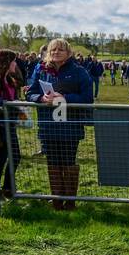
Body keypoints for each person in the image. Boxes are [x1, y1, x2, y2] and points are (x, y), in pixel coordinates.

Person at [26, 39, 92, 210]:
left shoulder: (79, 72)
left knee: (68, 161)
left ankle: (70, 201)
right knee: (53, 161)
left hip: (70, 126)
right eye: (53, 49)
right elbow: (30, 93)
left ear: (68, 52)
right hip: (48, 125)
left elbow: (87, 98)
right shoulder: (40, 69)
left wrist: (66, 99)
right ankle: (57, 199)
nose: (56, 52)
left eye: (60, 50)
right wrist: (41, 98)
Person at [0, 49, 25, 198]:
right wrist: (8, 103)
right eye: (13, 61)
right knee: (3, 157)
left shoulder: (9, 80)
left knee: (11, 156)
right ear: (5, 63)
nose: (15, 64)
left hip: (9, 123)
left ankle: (5, 188)